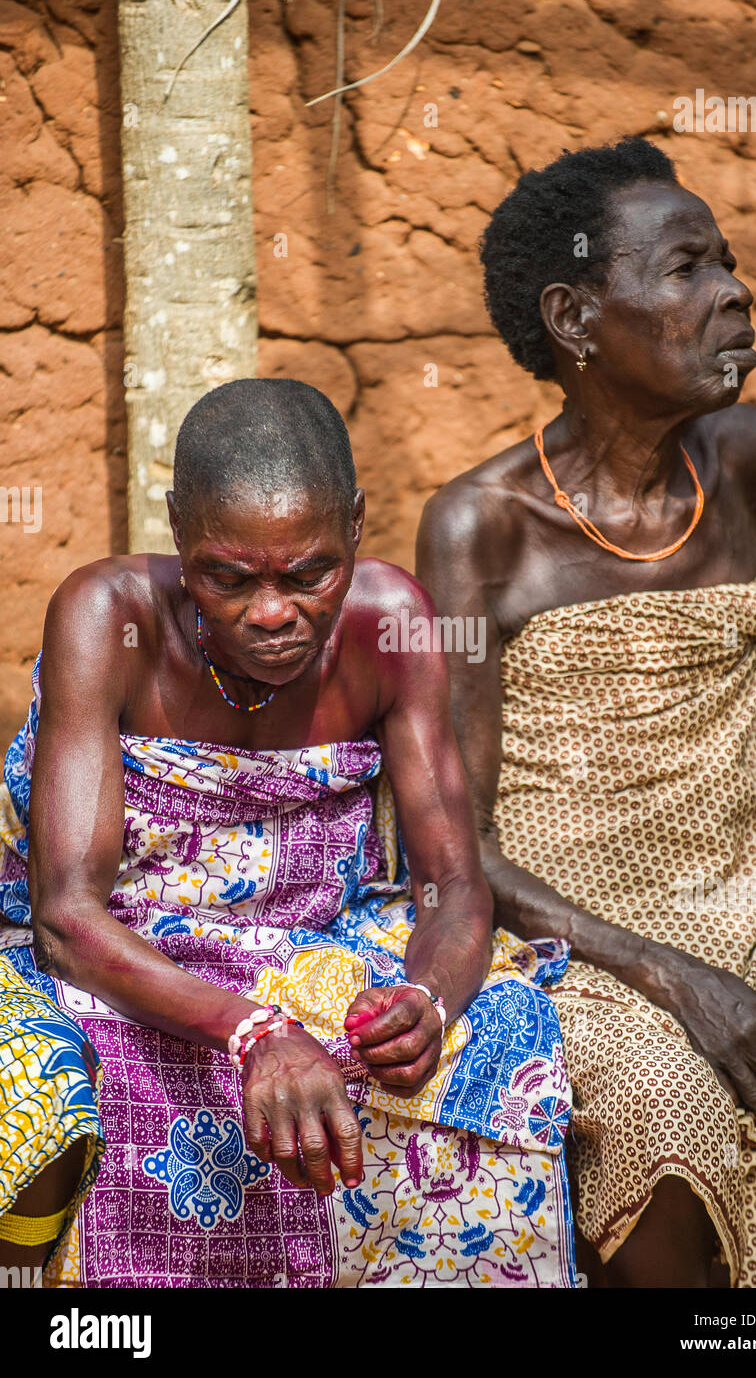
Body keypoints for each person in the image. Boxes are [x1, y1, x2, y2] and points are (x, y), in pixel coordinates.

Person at [0, 378, 574, 1288]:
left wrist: (424, 1003)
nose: (271, 612)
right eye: (228, 578)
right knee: (47, 1077)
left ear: (355, 526)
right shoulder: (108, 615)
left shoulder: (391, 624)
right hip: (122, 951)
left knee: (498, 1032)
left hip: (315, 935)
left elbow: (455, 885)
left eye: (310, 575)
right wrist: (252, 1031)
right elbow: (67, 920)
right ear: (177, 533)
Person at [415, 137, 756, 1289]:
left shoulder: (747, 456)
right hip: (582, 922)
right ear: (574, 318)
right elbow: (460, 837)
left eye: (727, 261)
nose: (734, 292)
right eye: (685, 268)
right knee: (667, 1110)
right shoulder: (479, 525)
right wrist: (668, 973)